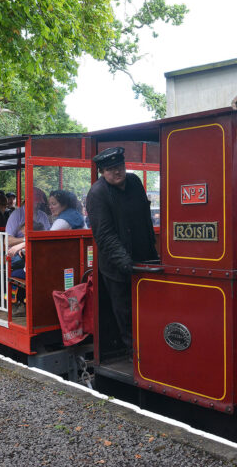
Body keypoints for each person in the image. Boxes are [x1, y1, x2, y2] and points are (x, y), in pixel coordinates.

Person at [86, 147, 158, 355]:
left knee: (150, 308)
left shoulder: (135, 182)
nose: (117, 172)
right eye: (110, 169)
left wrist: (152, 250)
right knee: (126, 312)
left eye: (119, 167)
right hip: (118, 268)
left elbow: (145, 217)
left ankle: (153, 349)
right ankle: (135, 354)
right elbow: (105, 235)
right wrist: (126, 264)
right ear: (102, 172)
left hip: (145, 258)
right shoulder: (97, 194)